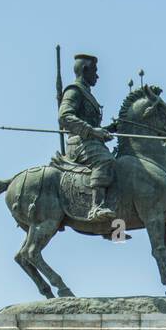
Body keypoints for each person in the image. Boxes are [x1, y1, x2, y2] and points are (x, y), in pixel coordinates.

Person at [58, 53, 117, 222]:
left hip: (90, 141)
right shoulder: (74, 90)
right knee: (106, 161)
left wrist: (109, 129)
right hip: (78, 144)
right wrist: (92, 131)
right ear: (85, 70)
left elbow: (93, 128)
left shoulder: (87, 93)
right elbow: (64, 117)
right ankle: (96, 207)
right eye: (95, 71)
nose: (97, 75)